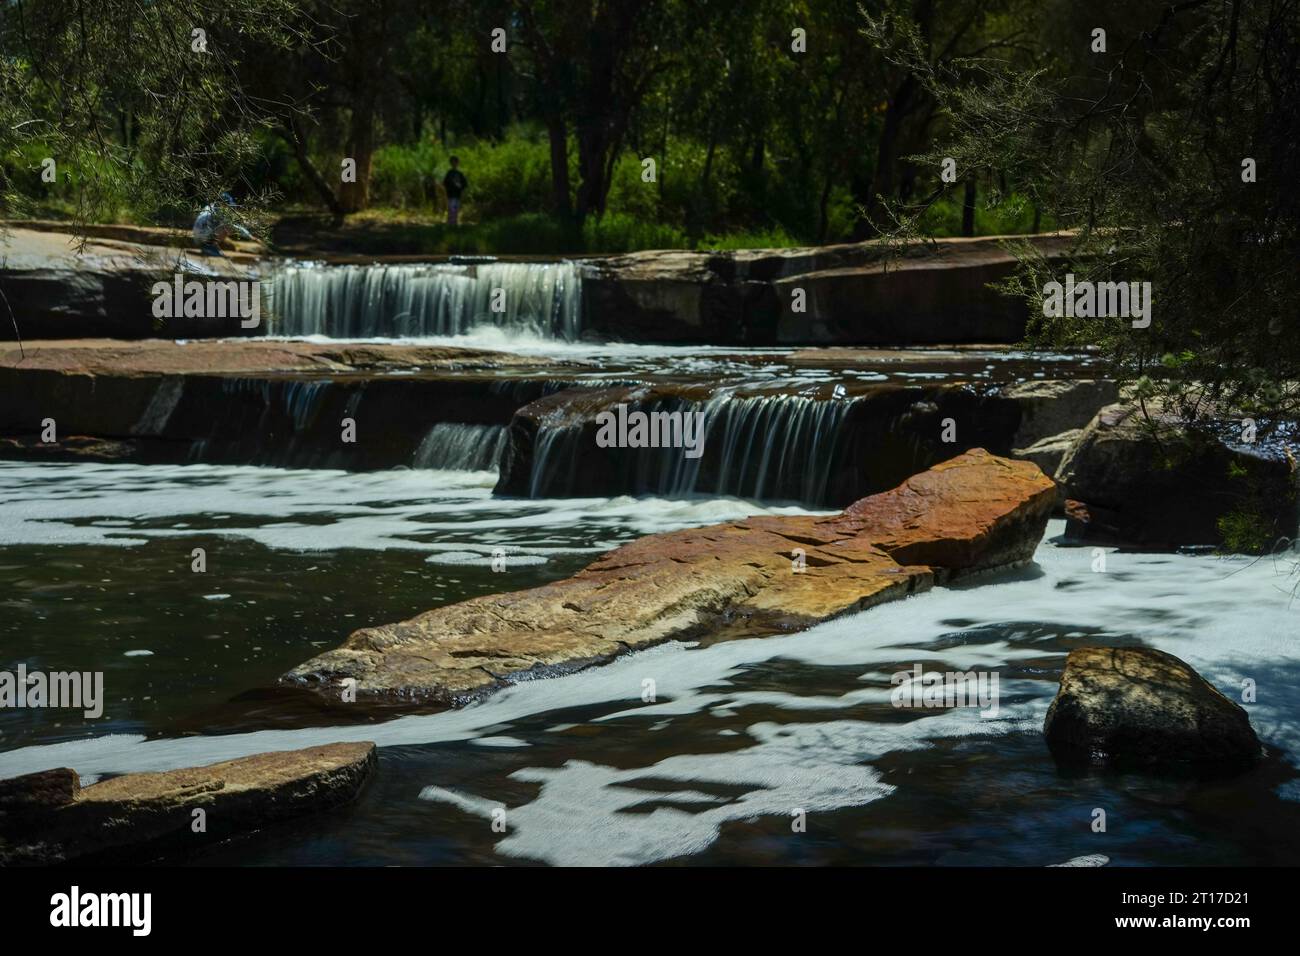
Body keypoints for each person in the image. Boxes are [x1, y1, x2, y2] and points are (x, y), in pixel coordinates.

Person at [442, 156, 467, 226]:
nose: (454, 164)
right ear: (450, 163)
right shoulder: (449, 173)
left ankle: (454, 222)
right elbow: (444, 183)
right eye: (452, 162)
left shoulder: (460, 173)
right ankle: (451, 223)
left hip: (458, 194)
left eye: (455, 162)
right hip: (450, 194)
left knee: (456, 208)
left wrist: (461, 188)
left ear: (458, 163)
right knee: (451, 208)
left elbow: (464, 184)